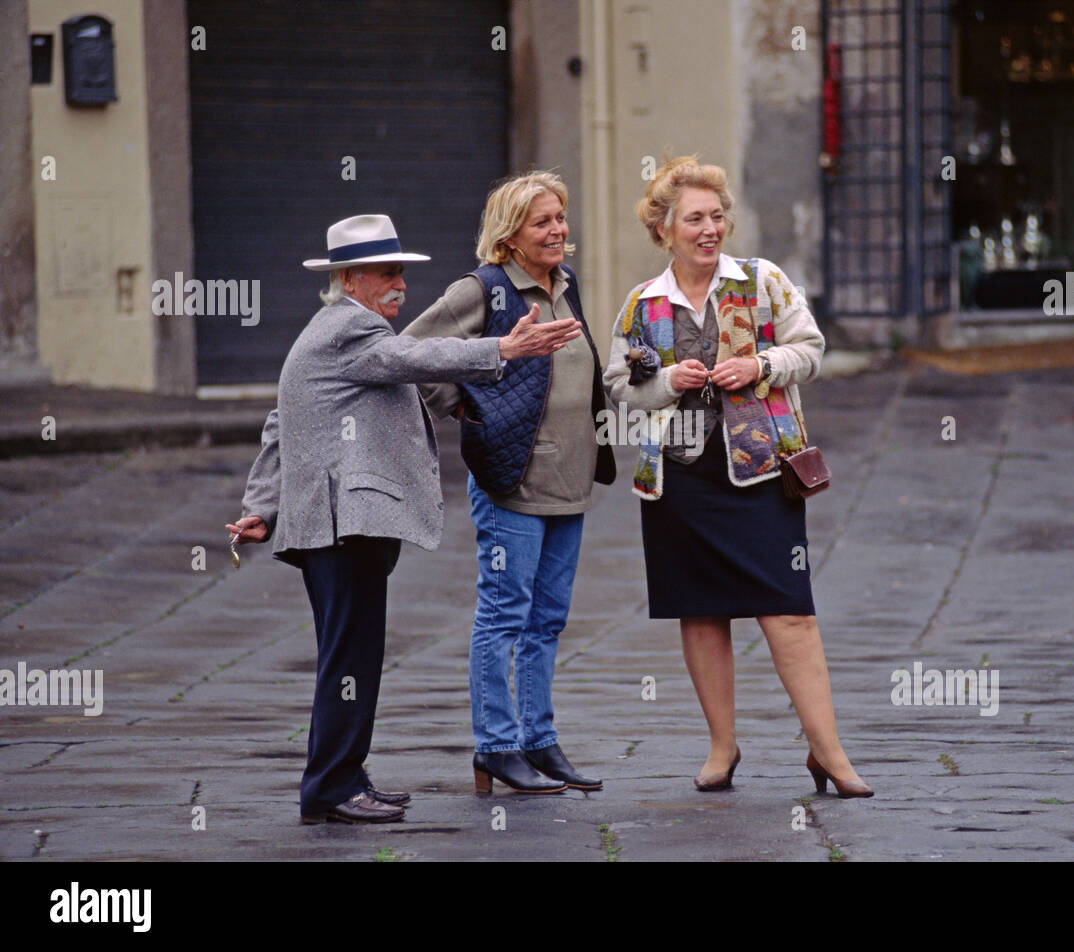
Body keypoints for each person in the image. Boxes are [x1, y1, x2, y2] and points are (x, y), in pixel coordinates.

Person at [226, 213, 580, 823]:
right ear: (351, 278)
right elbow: (420, 356)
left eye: (402, 273)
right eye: (388, 274)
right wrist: (505, 346)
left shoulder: (334, 328)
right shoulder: (351, 329)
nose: (400, 285)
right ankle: (331, 790)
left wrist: (262, 505)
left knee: (353, 655)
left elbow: (281, 423)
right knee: (349, 659)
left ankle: (345, 774)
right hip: (342, 526)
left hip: (341, 524)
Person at [604, 157, 873, 797]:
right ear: (665, 228)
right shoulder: (644, 302)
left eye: (717, 216)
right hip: (679, 481)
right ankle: (722, 747)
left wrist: (760, 367)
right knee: (700, 614)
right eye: (694, 218)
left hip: (761, 473)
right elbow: (619, 385)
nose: (710, 229)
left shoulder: (761, 282)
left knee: (789, 612)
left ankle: (828, 752)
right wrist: (667, 381)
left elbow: (810, 350)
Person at [403, 172, 615, 796]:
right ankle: (496, 746)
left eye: (560, 218)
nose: (557, 230)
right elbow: (411, 352)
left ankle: (539, 741)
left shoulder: (564, 284)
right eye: (541, 222)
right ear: (510, 234)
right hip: (512, 477)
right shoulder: (485, 289)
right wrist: (460, 405)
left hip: (570, 476)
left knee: (547, 619)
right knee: (504, 615)